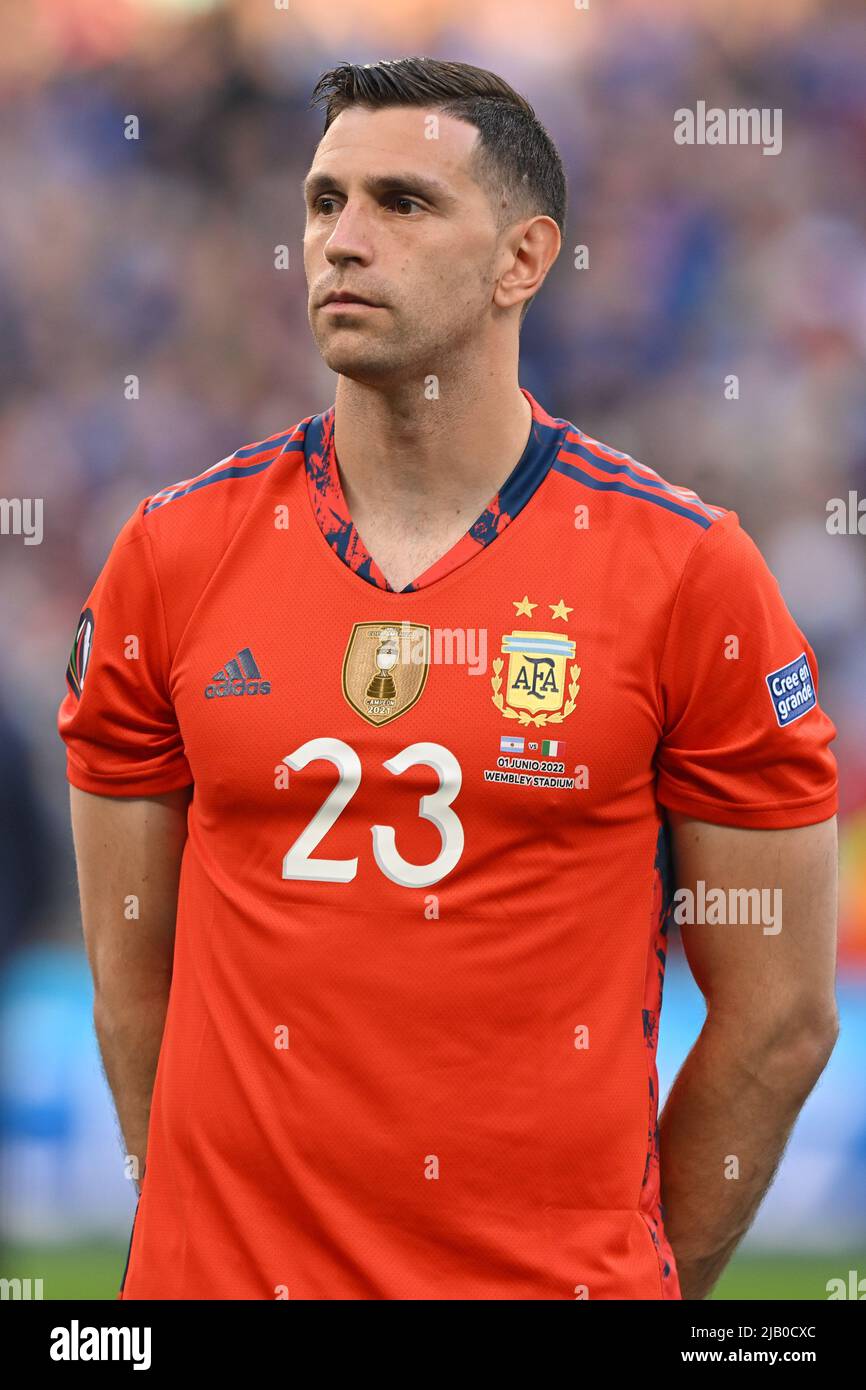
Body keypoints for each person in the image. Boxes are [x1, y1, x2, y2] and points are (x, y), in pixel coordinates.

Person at [58, 57, 839, 1300]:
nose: (341, 243)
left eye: (401, 204)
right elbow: (126, 976)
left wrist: (638, 1275)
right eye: (323, 203)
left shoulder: (686, 573)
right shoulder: (169, 554)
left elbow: (782, 1014)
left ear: (521, 260)